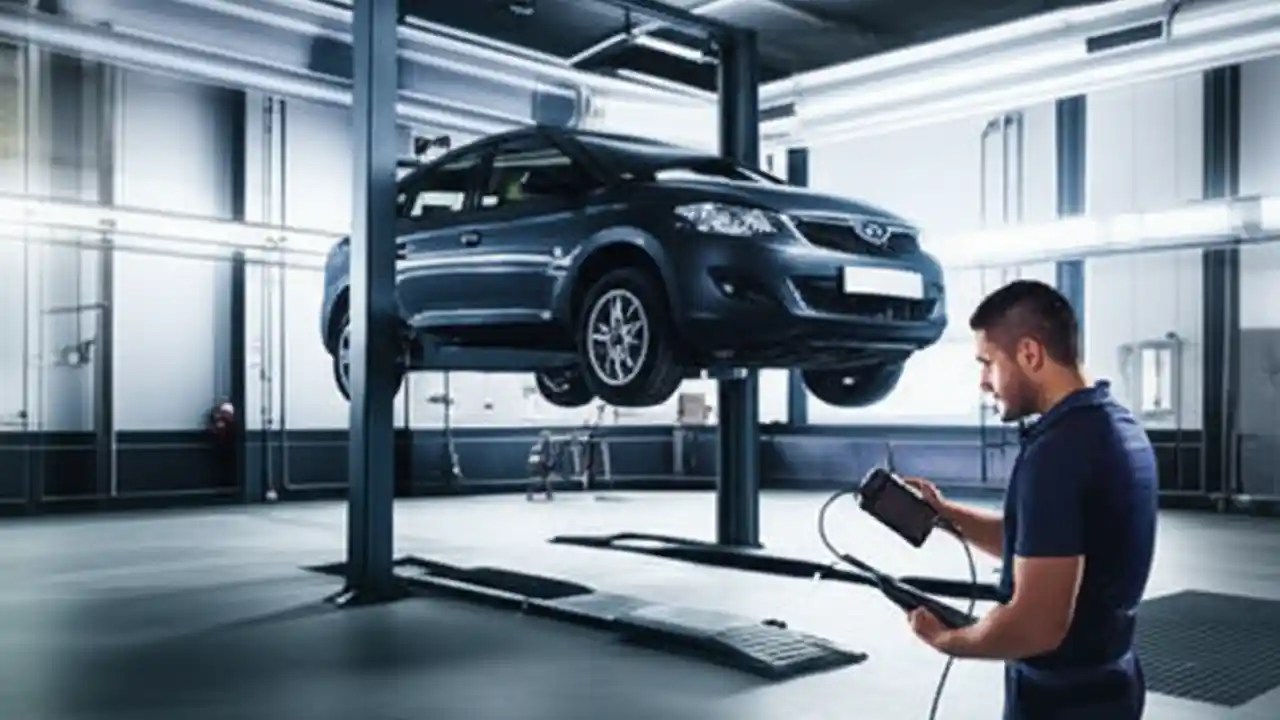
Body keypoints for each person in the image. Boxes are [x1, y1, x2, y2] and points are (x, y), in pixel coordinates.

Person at [903, 280, 1158, 719]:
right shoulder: (1113, 426)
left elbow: (1035, 627)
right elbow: (1041, 543)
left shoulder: (1058, 452)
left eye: (987, 363)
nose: (984, 382)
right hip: (1112, 682)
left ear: (1029, 354)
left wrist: (950, 641)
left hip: (1062, 702)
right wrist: (944, 516)